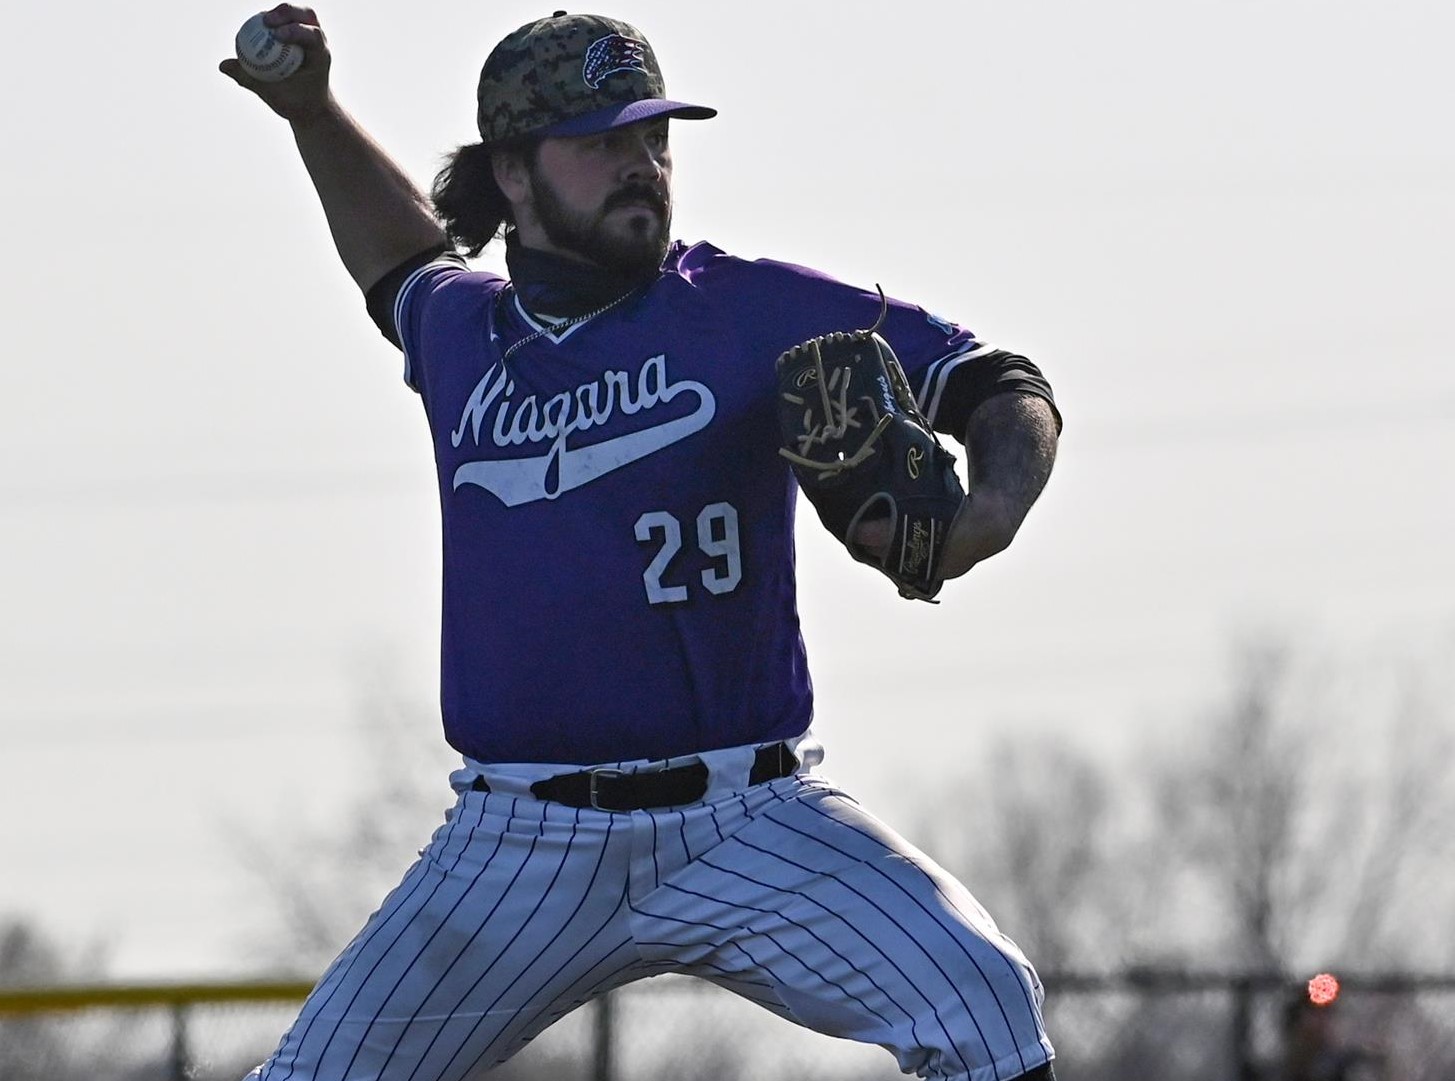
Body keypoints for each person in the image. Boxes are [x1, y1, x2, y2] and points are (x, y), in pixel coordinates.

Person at [219, 8, 1062, 1081]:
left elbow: (996, 381)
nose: (641, 166)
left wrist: (988, 508)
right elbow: (395, 261)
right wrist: (312, 111)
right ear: (513, 175)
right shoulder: (461, 333)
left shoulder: (751, 308)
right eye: (601, 141)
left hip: (745, 820)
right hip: (516, 845)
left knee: (982, 1002)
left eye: (652, 139)